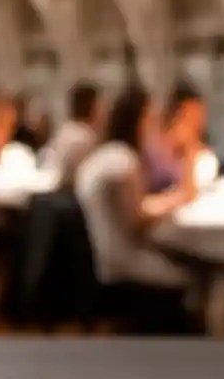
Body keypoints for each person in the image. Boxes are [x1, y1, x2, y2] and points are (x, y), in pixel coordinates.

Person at [76, 87, 189, 290]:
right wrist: (179, 199)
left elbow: (132, 206)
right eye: (150, 120)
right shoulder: (124, 161)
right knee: (195, 276)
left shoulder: (103, 156)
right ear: (137, 122)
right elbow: (138, 217)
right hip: (126, 260)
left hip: (103, 259)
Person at [146, 84, 207, 198]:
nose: (198, 123)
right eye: (192, 116)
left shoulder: (187, 147)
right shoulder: (153, 145)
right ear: (177, 114)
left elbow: (190, 190)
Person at [42, 81, 103, 188]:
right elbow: (88, 180)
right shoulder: (83, 137)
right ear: (93, 107)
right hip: (67, 197)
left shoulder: (65, 130)